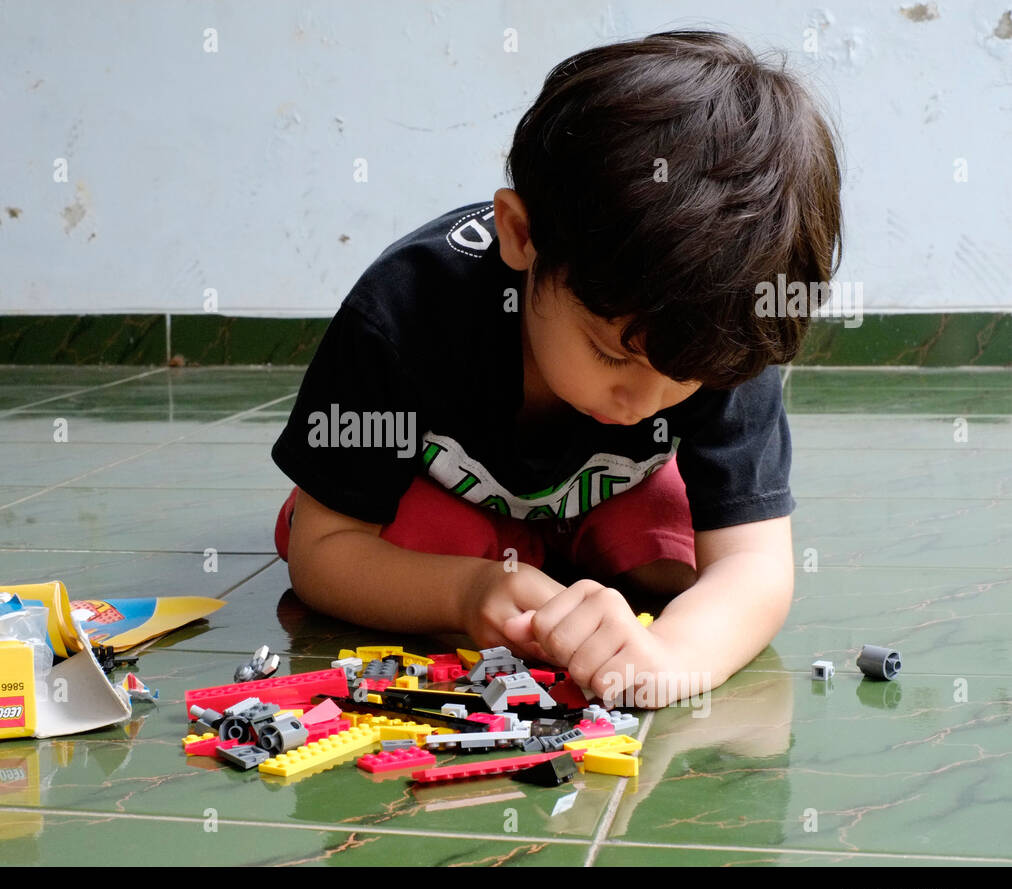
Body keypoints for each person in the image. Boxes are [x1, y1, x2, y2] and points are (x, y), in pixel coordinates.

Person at [270, 31, 843, 708]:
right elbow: (324, 552)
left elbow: (753, 563)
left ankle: (566, 545)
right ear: (520, 235)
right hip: (451, 512)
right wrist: (465, 593)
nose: (640, 402)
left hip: (610, 498)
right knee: (403, 538)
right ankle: (512, 555)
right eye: (611, 354)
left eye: (680, 380)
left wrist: (672, 657)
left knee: (683, 552)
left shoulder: (718, 326)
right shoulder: (401, 316)